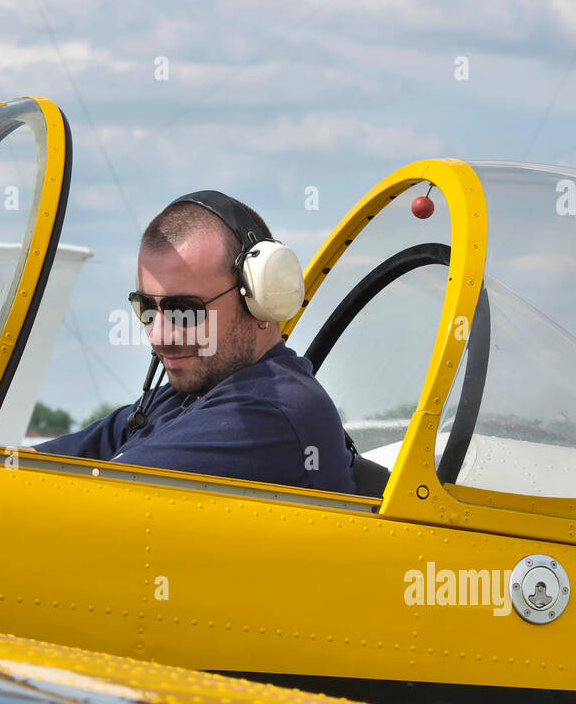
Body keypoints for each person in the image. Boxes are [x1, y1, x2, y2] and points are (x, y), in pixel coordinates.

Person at [36, 191, 356, 494]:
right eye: (146, 308)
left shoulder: (273, 414)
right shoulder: (176, 400)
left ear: (261, 299)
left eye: (184, 310)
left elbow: (98, 494)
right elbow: (29, 469)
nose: (158, 336)